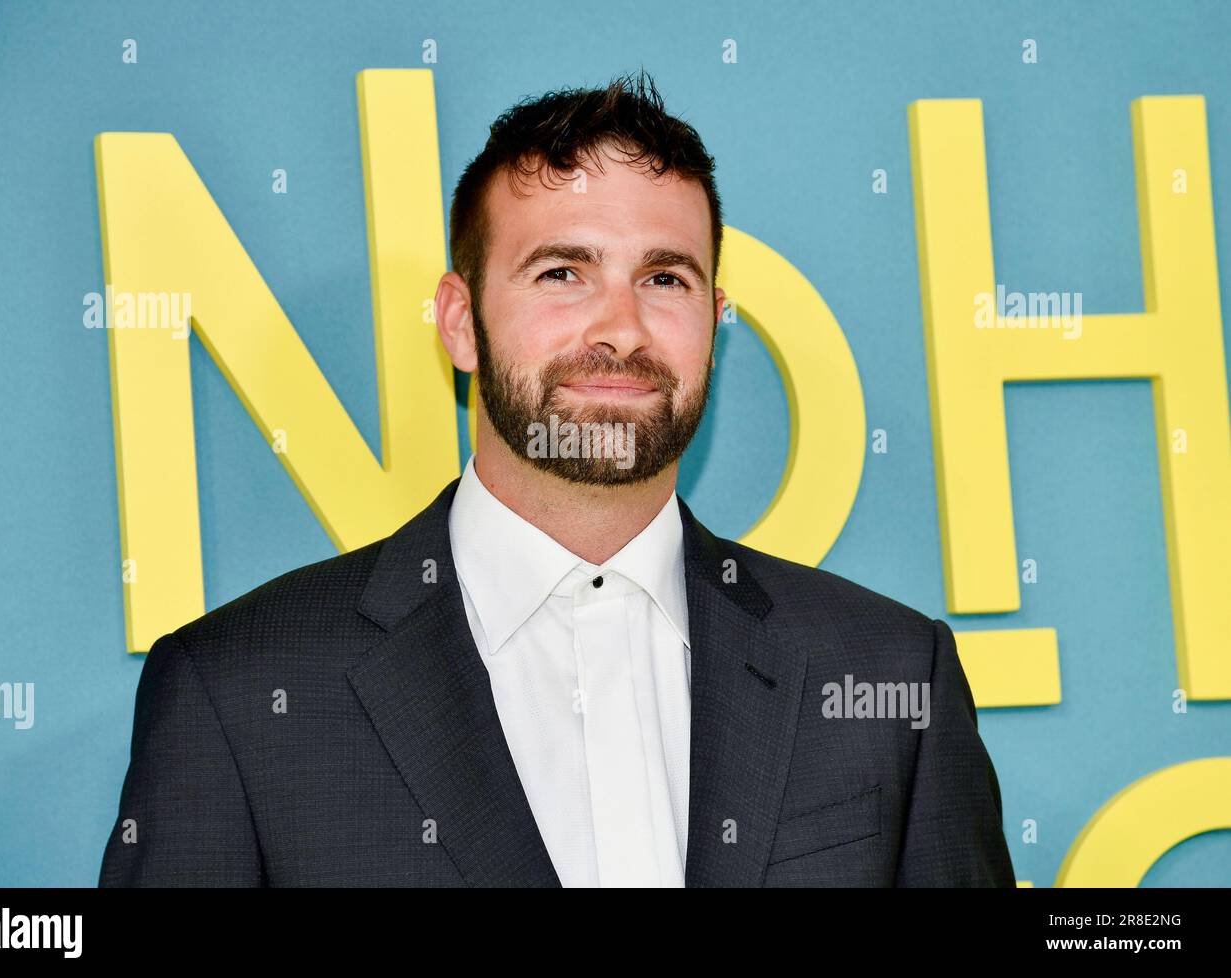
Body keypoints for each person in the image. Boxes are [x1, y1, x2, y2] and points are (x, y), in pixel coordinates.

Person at [99, 70, 1015, 887]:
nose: (620, 329)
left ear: (715, 319)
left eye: (666, 278)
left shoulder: (892, 675)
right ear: (460, 322)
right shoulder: (239, 693)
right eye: (563, 272)